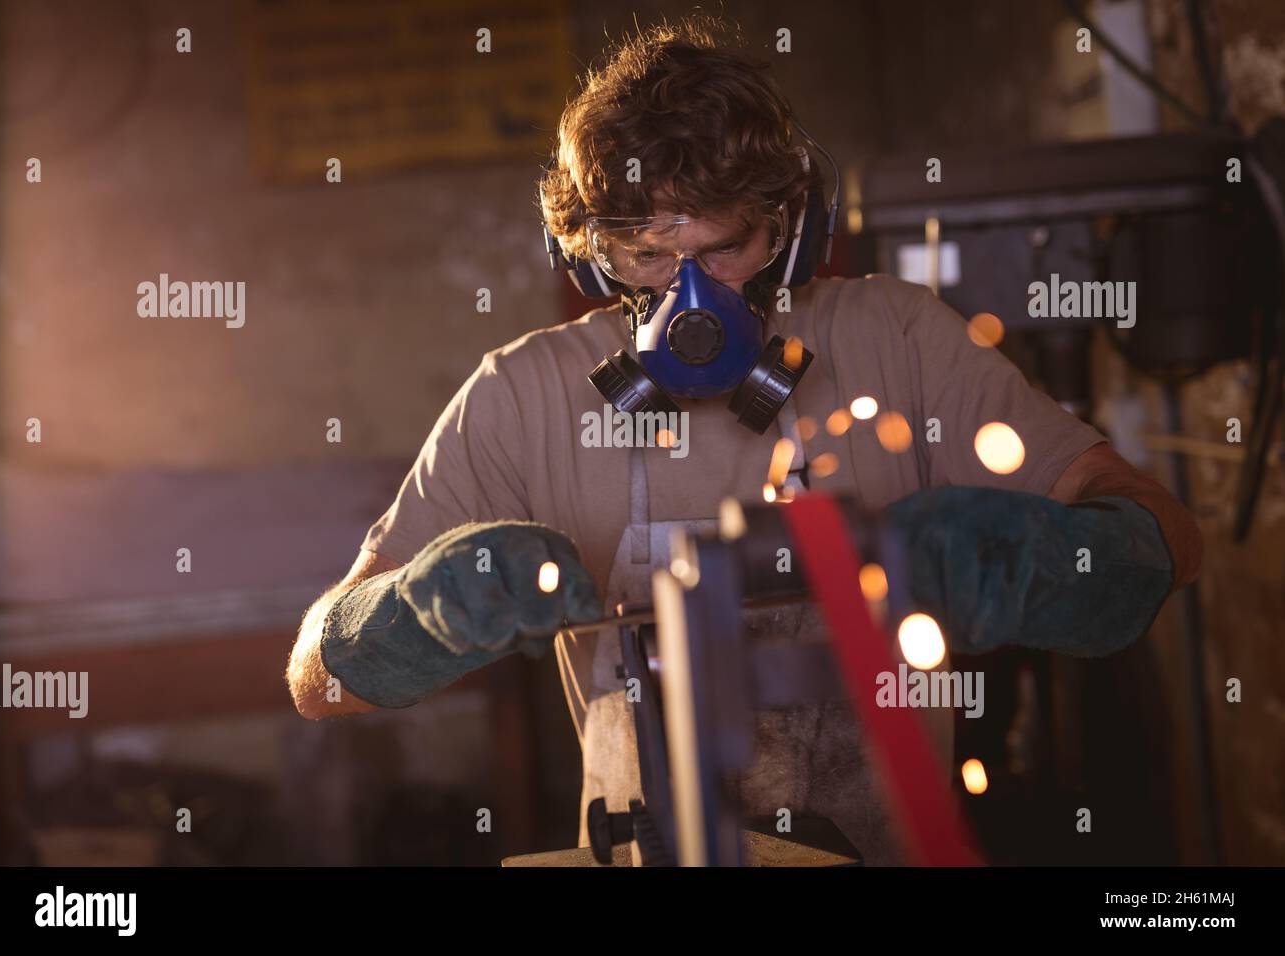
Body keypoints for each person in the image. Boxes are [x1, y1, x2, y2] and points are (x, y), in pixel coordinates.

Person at [285, 15, 1202, 864]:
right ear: (588, 254)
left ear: (790, 228)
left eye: (725, 247)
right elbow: (316, 681)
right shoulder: (521, 397)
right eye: (646, 256)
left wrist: (1052, 562)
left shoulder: (902, 339)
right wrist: (417, 613)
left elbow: (1170, 533)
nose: (694, 301)